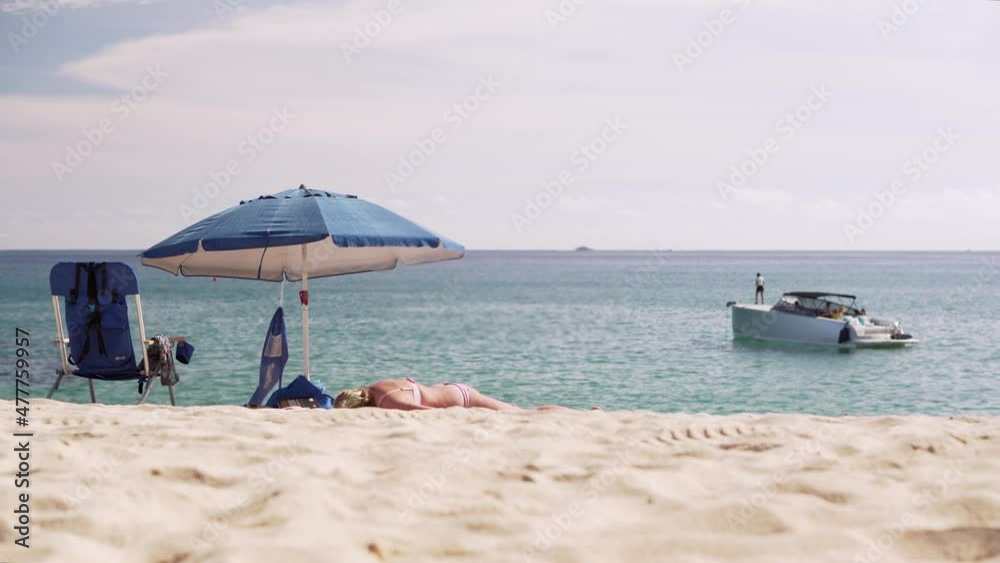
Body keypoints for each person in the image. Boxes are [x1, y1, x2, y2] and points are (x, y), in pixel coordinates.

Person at [334, 378, 596, 411]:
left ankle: (584, 415)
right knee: (516, 411)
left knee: (523, 414)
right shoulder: (379, 385)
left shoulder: (388, 401)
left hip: (462, 400)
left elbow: (427, 413)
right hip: (451, 389)